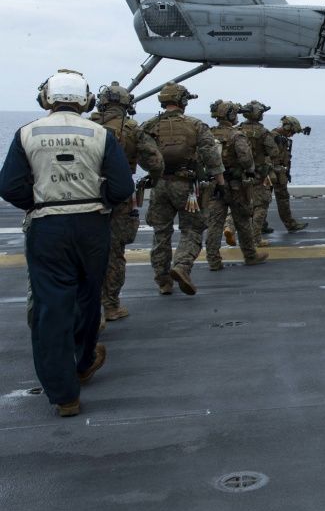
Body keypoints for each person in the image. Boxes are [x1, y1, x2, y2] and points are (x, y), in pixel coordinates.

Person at [0, 70, 134, 417]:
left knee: (51, 307)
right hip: (91, 225)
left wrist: (39, 202)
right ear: (86, 100)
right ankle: (84, 360)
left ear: (46, 98)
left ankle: (64, 395)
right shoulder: (100, 134)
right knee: (89, 298)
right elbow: (122, 187)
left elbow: (10, 186)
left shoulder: (27, 133)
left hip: (48, 225)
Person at [140, 83, 224, 296]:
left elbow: (141, 155)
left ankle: (163, 281)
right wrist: (221, 183)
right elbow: (211, 157)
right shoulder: (195, 125)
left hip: (159, 185)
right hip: (187, 188)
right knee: (193, 229)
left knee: (161, 232)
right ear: (183, 101)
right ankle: (182, 266)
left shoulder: (148, 126)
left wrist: (155, 172)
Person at [89, 82, 163, 323]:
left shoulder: (86, 126)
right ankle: (111, 306)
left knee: (83, 251)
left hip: (85, 195)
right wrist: (151, 180)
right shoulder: (132, 129)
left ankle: (87, 309)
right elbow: (155, 162)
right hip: (118, 197)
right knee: (115, 252)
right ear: (126, 105)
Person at [205, 100, 270, 270]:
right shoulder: (237, 135)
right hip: (236, 186)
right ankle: (250, 255)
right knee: (242, 221)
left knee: (215, 223)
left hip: (214, 185)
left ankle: (213, 260)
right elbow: (246, 160)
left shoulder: (209, 133)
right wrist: (250, 171)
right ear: (231, 115)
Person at [238, 100, 278, 247]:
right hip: (258, 174)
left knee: (238, 205)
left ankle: (229, 227)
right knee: (261, 205)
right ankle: (255, 238)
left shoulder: (238, 130)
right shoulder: (263, 132)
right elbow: (273, 151)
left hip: (239, 173)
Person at [263, 115, 310, 233]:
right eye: (292, 132)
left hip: (278, 172)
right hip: (272, 172)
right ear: (286, 127)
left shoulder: (279, 136)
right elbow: (266, 156)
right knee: (270, 199)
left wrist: (302, 129)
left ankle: (262, 225)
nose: (292, 134)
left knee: (271, 199)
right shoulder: (273, 137)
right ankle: (289, 224)